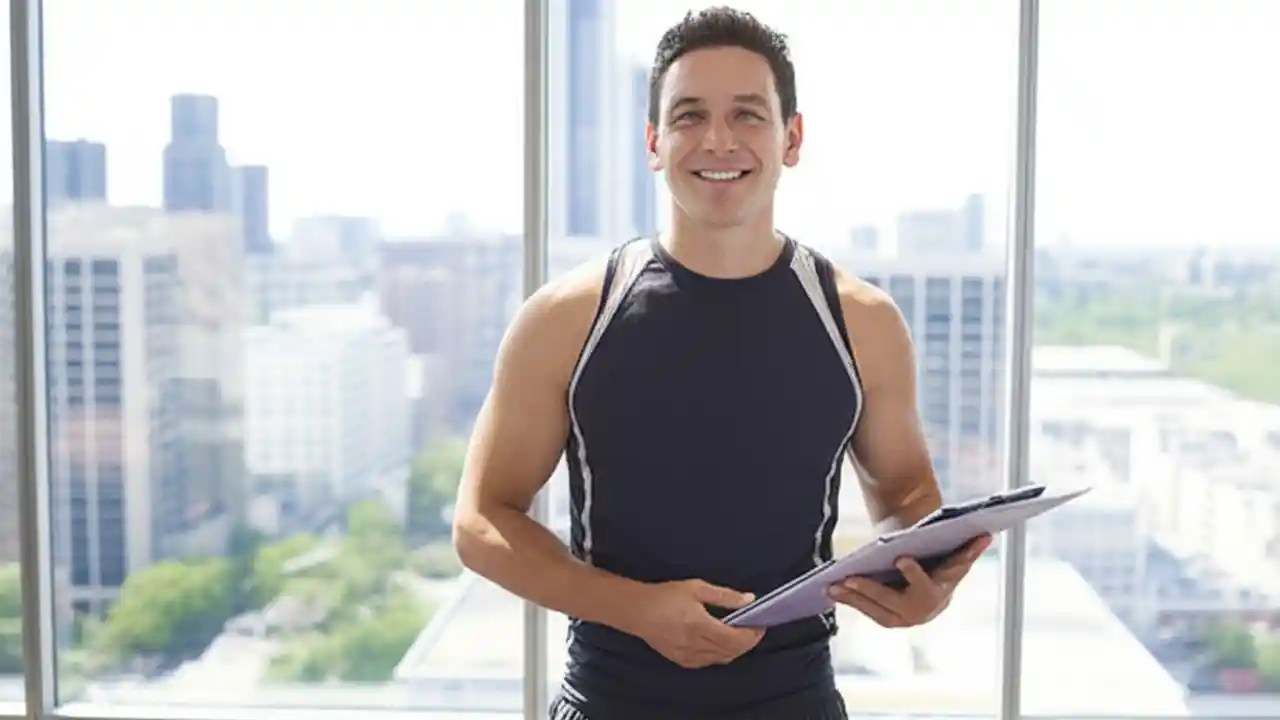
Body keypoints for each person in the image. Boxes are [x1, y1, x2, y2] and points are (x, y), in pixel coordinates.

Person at [452, 6, 992, 719]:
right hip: (611, 703)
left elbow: (905, 496)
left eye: (747, 115)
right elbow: (482, 521)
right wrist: (638, 609)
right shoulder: (565, 319)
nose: (718, 139)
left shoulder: (863, 323)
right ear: (653, 141)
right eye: (688, 116)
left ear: (790, 137)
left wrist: (924, 579)